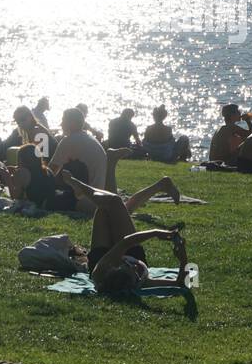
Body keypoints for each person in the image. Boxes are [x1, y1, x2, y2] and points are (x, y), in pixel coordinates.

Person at [57, 170, 189, 294]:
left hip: (101, 254)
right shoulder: (141, 281)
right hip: (133, 253)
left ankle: (79, 186)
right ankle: (161, 185)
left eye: (128, 266)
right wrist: (183, 260)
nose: (134, 267)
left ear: (113, 267)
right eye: (135, 270)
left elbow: (126, 243)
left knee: (109, 205)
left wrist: (155, 232)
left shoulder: (102, 270)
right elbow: (180, 284)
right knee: (118, 207)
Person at [49, 107, 109, 190]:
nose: (61, 124)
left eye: (63, 121)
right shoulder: (89, 138)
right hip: (99, 191)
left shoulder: (69, 141)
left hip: (86, 197)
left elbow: (51, 171)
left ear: (72, 123)